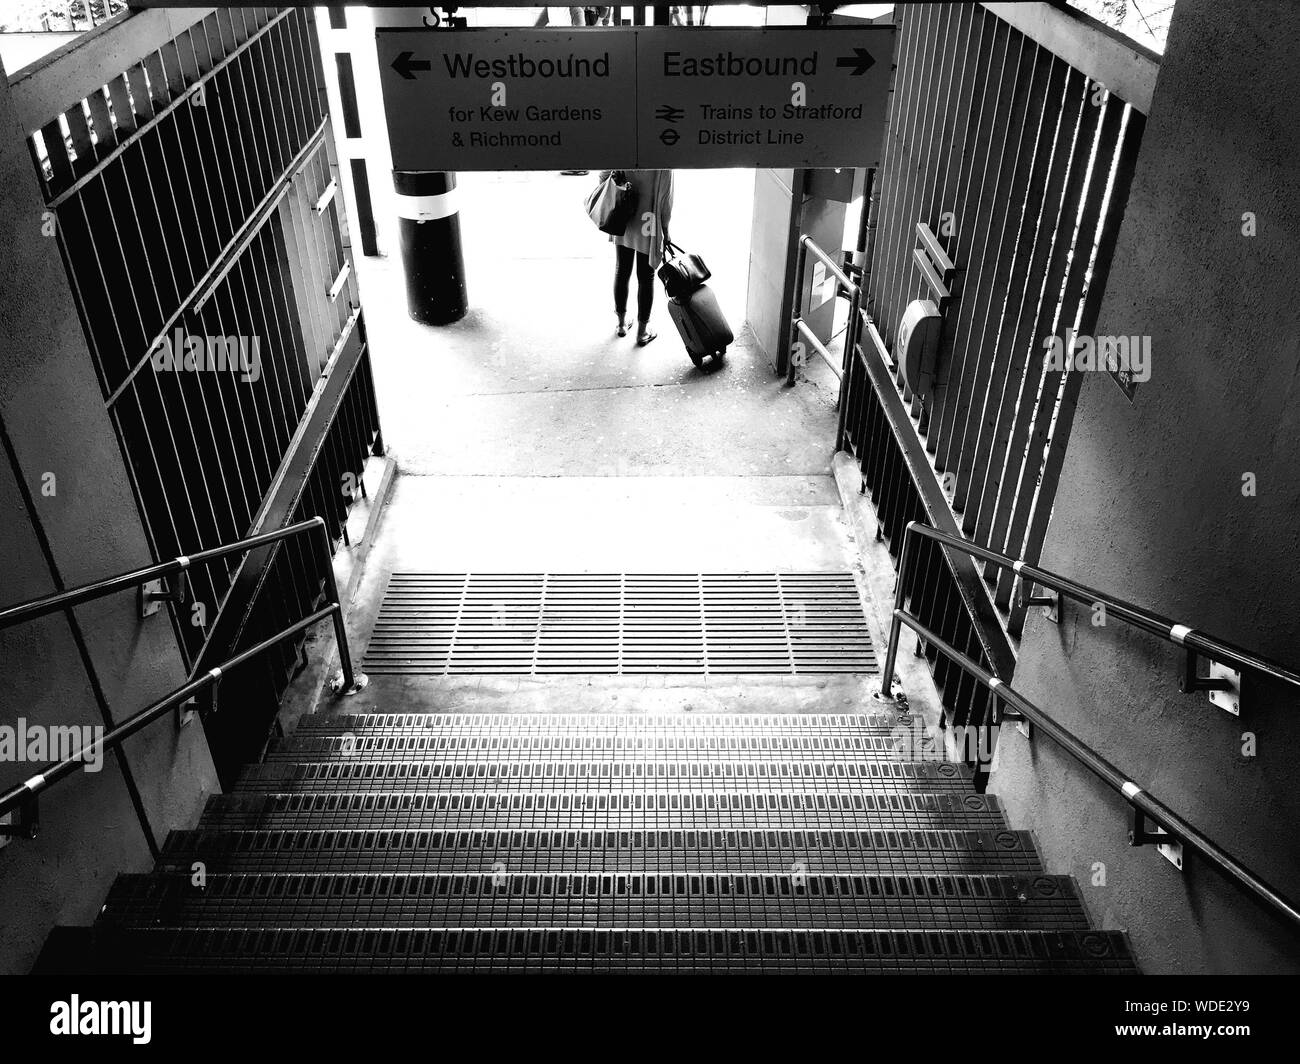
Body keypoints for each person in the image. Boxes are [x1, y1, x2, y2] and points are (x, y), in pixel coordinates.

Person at [598, 169, 674, 345]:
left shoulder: (622, 143)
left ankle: (622, 324)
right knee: (646, 277)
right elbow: (665, 198)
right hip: (648, 219)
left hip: (623, 214)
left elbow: (603, 174)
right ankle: (642, 332)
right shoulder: (664, 152)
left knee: (622, 270)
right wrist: (666, 229)